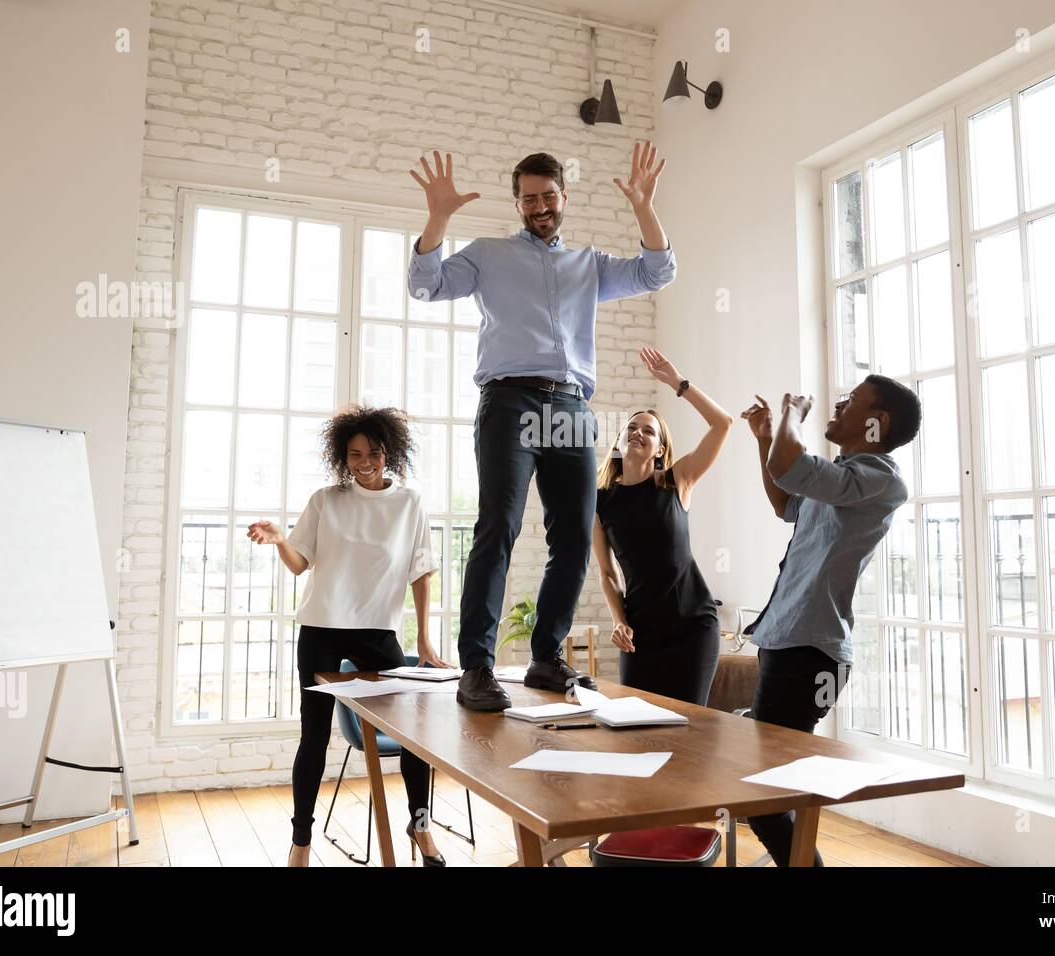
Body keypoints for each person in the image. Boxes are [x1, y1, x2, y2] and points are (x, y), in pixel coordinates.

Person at [405, 143, 676, 711]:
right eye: (529, 198)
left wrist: (644, 207)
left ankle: (545, 658)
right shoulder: (489, 254)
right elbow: (425, 285)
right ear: (518, 202)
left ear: (563, 197)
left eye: (549, 196)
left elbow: (657, 270)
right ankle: (476, 667)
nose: (540, 206)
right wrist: (438, 217)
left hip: (572, 407)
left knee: (576, 538)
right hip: (509, 402)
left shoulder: (589, 265)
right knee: (498, 527)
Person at [247, 406, 449, 867]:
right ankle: (301, 841)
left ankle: (421, 827)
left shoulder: (409, 503)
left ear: (388, 453)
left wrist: (424, 639)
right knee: (313, 737)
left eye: (373, 453)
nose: (364, 462)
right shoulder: (326, 500)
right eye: (354, 454)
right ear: (342, 456)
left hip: (379, 634)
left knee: (414, 736)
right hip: (321, 629)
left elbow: (421, 573)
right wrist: (280, 539)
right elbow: (301, 563)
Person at [740, 375, 921, 866]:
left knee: (766, 797)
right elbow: (784, 501)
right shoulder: (837, 477)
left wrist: (791, 415)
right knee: (768, 787)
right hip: (786, 641)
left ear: (876, 422)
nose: (838, 404)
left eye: (851, 400)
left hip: (811, 653)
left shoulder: (879, 479)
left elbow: (790, 465)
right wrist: (764, 440)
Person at [591, 346, 731, 705]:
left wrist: (677, 383)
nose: (638, 433)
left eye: (649, 431)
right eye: (631, 428)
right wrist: (618, 620)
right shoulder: (599, 501)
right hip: (639, 631)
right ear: (620, 442)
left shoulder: (676, 481)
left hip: (693, 627)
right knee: (634, 728)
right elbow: (607, 573)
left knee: (687, 729)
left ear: (659, 448)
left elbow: (722, 424)